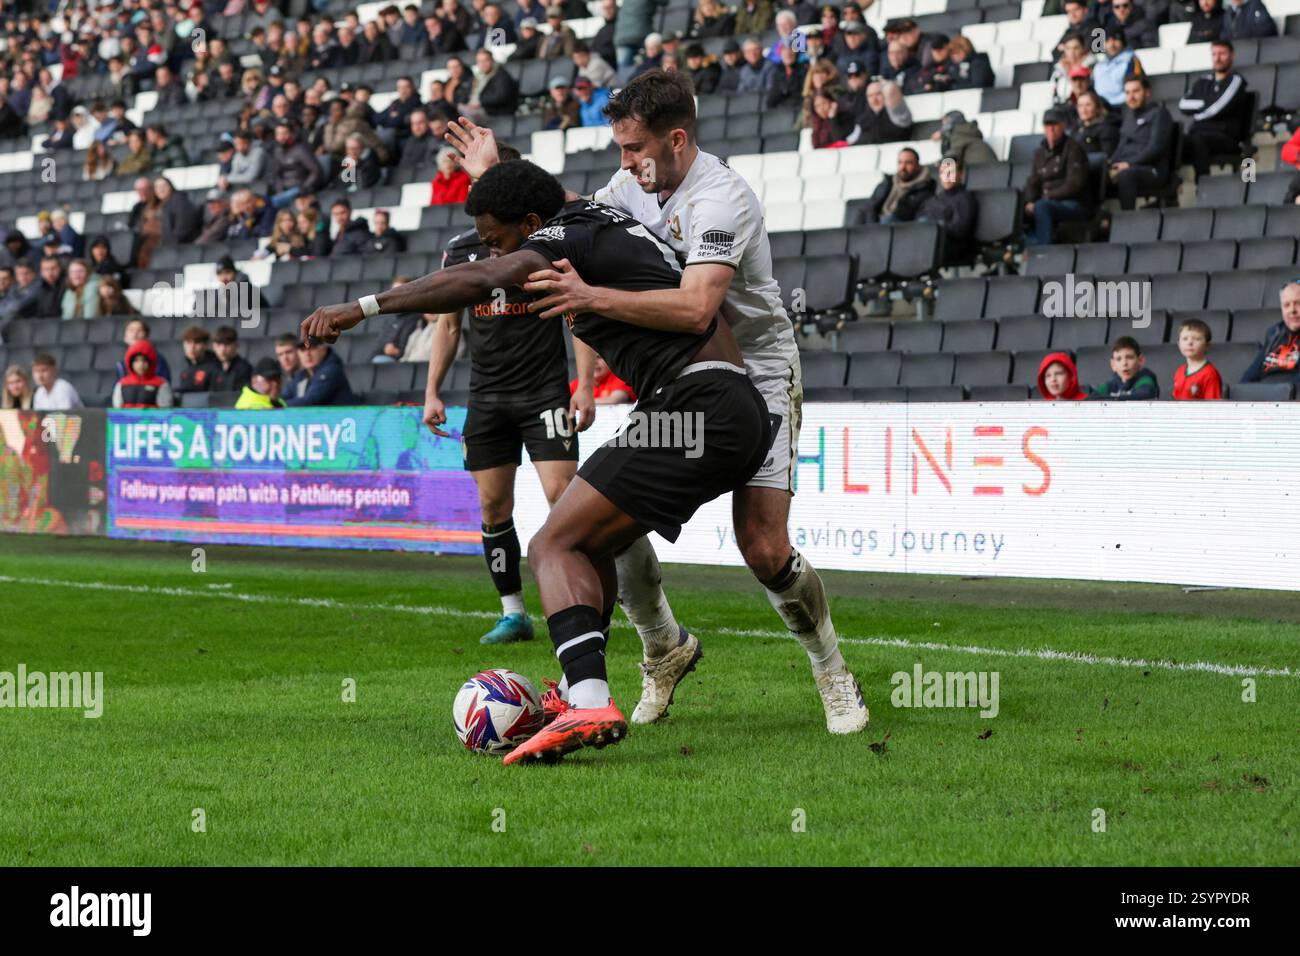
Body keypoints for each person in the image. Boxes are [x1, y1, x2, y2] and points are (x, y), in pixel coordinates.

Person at [301, 158, 772, 765]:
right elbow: (542, 196)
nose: (486, 253)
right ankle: (584, 688)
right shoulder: (590, 215)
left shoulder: (556, 236)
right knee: (588, 543)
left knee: (552, 545)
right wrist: (492, 165)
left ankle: (591, 700)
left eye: (495, 241)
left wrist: (362, 307)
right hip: (729, 406)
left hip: (695, 402)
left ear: (529, 225)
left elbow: (483, 278)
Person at [445, 71, 868, 735]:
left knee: (761, 547)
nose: (625, 162)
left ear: (676, 139)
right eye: (619, 148)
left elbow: (698, 305)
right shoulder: (630, 188)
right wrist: (496, 169)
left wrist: (591, 300)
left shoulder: (720, 198)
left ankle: (832, 669)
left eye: (635, 148)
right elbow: (559, 211)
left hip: (755, 369)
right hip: (677, 378)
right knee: (606, 517)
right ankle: (662, 648)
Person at [415, 182, 586, 643]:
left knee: (564, 496)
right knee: (493, 504)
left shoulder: (545, 244)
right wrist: (433, 391)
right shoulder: (459, 251)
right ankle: (514, 613)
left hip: (544, 392)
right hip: (486, 396)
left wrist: (584, 385)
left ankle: (586, 606)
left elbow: (577, 315)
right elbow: (448, 325)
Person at [1178, 39, 1251, 179]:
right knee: (1175, 141)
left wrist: (1199, 113)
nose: (1217, 58)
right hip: (1198, 133)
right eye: (1214, 54)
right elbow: (1183, 105)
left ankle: (1203, 186)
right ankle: (1171, 191)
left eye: (1222, 53)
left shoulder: (1236, 80)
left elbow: (1218, 108)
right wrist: (1205, 104)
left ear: (1232, 55)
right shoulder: (1203, 81)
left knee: (1198, 140)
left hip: (1227, 137)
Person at [1023, 109, 1092, 245]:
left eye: (1055, 125)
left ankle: (1044, 250)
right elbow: (1033, 181)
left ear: (1063, 126)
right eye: (1047, 125)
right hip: (1046, 201)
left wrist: (1046, 196)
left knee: (1042, 207)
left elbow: (1074, 184)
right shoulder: (1039, 153)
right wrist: (1029, 201)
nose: (1051, 129)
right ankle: (1015, 249)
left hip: (1072, 202)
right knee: (1019, 205)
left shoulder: (1074, 149)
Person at [1108, 75, 1174, 210]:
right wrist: (1109, 164)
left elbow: (1156, 148)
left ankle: (1127, 220)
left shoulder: (1160, 114)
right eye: (1127, 93)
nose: (1131, 97)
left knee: (1126, 175)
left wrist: (1129, 164)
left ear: (1147, 92)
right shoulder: (1128, 117)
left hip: (1152, 169)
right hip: (1126, 167)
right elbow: (1121, 147)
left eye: (1136, 91)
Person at [917, 158, 979, 265]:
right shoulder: (933, 200)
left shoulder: (965, 199)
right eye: (943, 173)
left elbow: (959, 230)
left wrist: (935, 227)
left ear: (960, 174)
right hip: (927, 241)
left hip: (951, 246)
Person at [1240, 281, 1300, 385]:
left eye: (1298, 303)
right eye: (1286, 305)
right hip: (1265, 396)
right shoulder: (1274, 334)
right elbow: (1250, 376)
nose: (1292, 310)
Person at [860, 147, 934, 224]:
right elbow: (869, 207)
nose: (903, 167)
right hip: (875, 227)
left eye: (908, 163)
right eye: (900, 162)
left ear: (917, 166)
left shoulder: (925, 189)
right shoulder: (886, 183)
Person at [286, 341, 357, 406]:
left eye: (313, 348)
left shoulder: (331, 371)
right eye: (303, 350)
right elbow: (285, 396)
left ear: (324, 350)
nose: (307, 354)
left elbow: (311, 400)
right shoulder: (301, 375)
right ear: (298, 353)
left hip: (340, 419)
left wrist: (281, 405)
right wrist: (276, 403)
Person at [1087, 336, 1160, 398]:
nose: (1124, 363)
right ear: (1113, 365)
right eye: (1119, 359)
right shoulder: (1112, 383)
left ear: (1140, 360)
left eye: (1129, 357)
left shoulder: (1145, 377)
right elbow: (1091, 400)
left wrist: (1112, 399)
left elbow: (1145, 393)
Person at [112, 339, 173, 409]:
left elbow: (164, 410)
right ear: (130, 362)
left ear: (151, 362)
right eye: (136, 361)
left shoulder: (161, 384)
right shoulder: (121, 384)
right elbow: (117, 410)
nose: (141, 364)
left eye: (144, 360)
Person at [1172, 318, 1223, 399]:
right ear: (1178, 344)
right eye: (1185, 339)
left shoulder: (1210, 374)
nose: (1189, 342)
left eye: (1197, 339)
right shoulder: (1179, 371)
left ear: (1207, 345)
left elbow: (1212, 407)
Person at [1093, 29, 1142, 108]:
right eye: (1107, 41)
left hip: (1125, 107)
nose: (1112, 45)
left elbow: (1135, 86)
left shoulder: (1130, 61)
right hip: (1101, 108)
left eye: (1116, 40)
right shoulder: (1099, 65)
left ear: (1123, 42)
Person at [176, 325, 221, 395]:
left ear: (205, 345)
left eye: (196, 343)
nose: (192, 347)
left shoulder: (216, 366)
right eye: (188, 342)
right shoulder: (185, 368)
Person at [211, 326, 255, 393]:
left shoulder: (244, 368)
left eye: (227, 344)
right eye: (219, 344)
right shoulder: (212, 367)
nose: (223, 349)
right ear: (213, 346)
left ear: (236, 345)